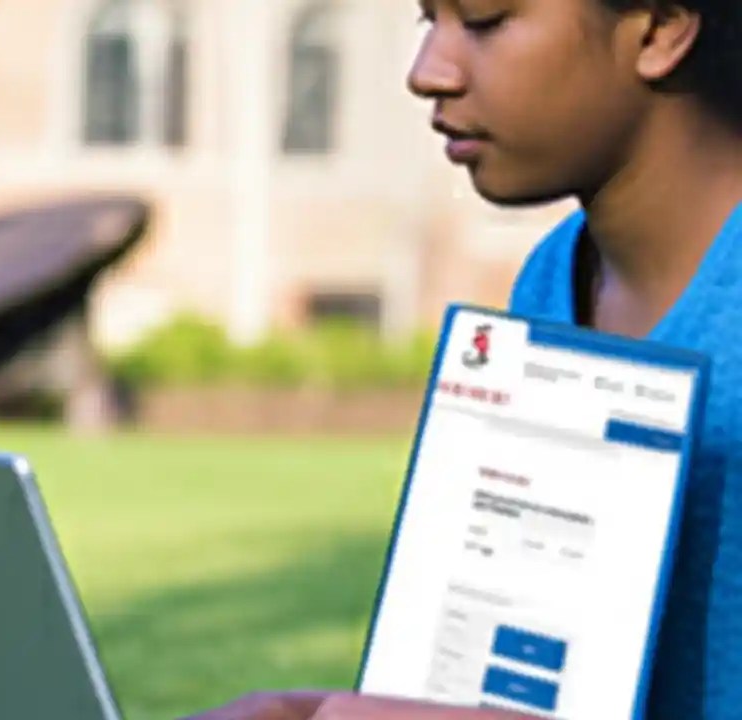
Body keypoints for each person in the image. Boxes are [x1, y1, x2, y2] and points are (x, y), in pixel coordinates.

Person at [183, 0, 742, 717]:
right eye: (428, 22)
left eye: (484, 21)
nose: (427, 73)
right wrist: (307, 710)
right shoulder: (549, 280)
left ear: (660, 28)